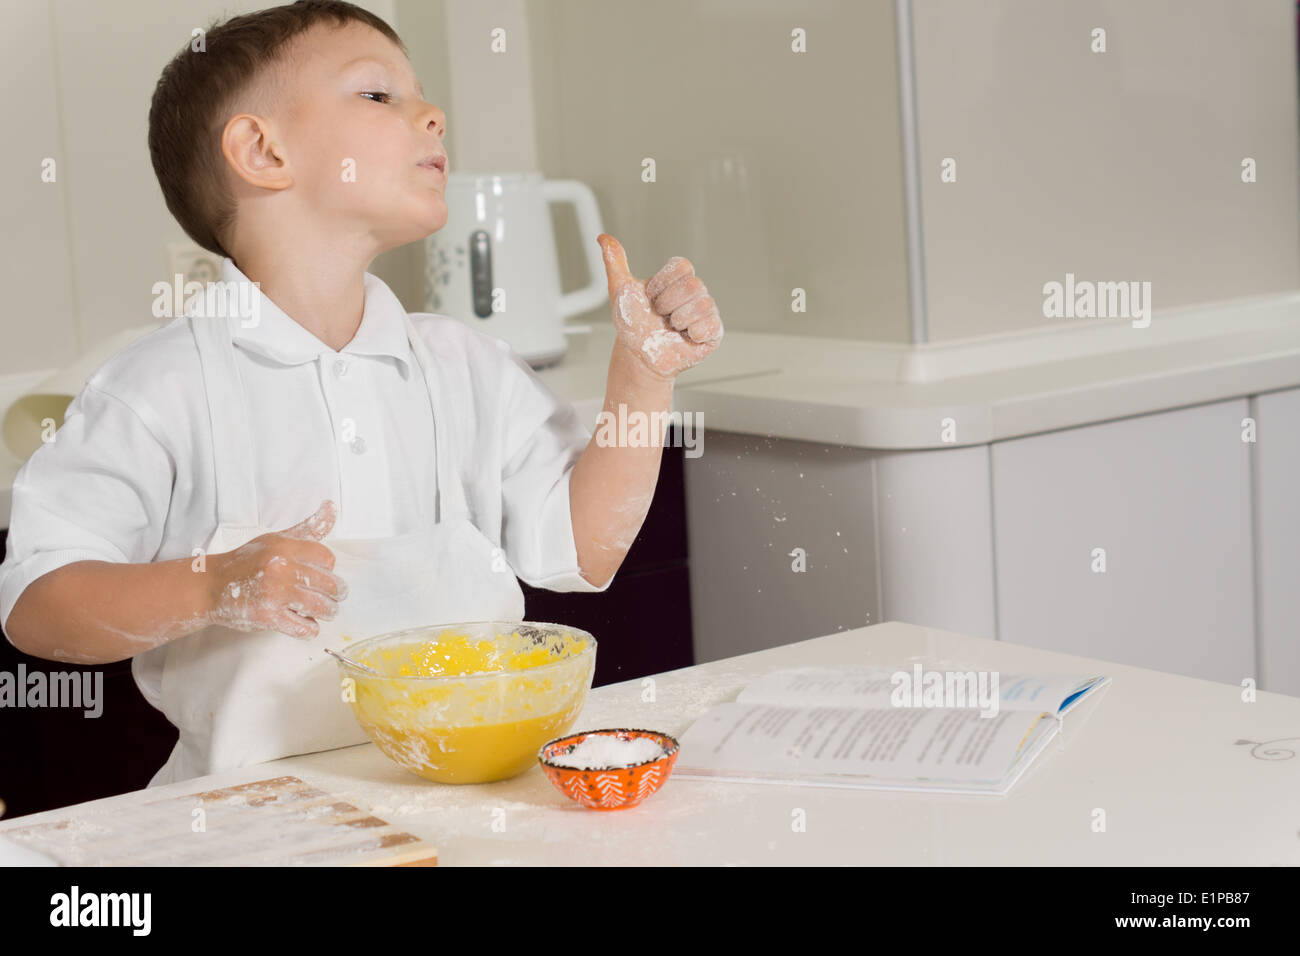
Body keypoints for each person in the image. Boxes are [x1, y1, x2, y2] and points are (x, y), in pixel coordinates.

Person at [0, 0, 722, 786]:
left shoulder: (461, 364)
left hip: (472, 791)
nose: (433, 115)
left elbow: (584, 548)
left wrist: (642, 378)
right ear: (262, 150)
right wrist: (214, 584)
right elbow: (39, 603)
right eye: (379, 95)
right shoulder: (161, 387)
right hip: (256, 818)